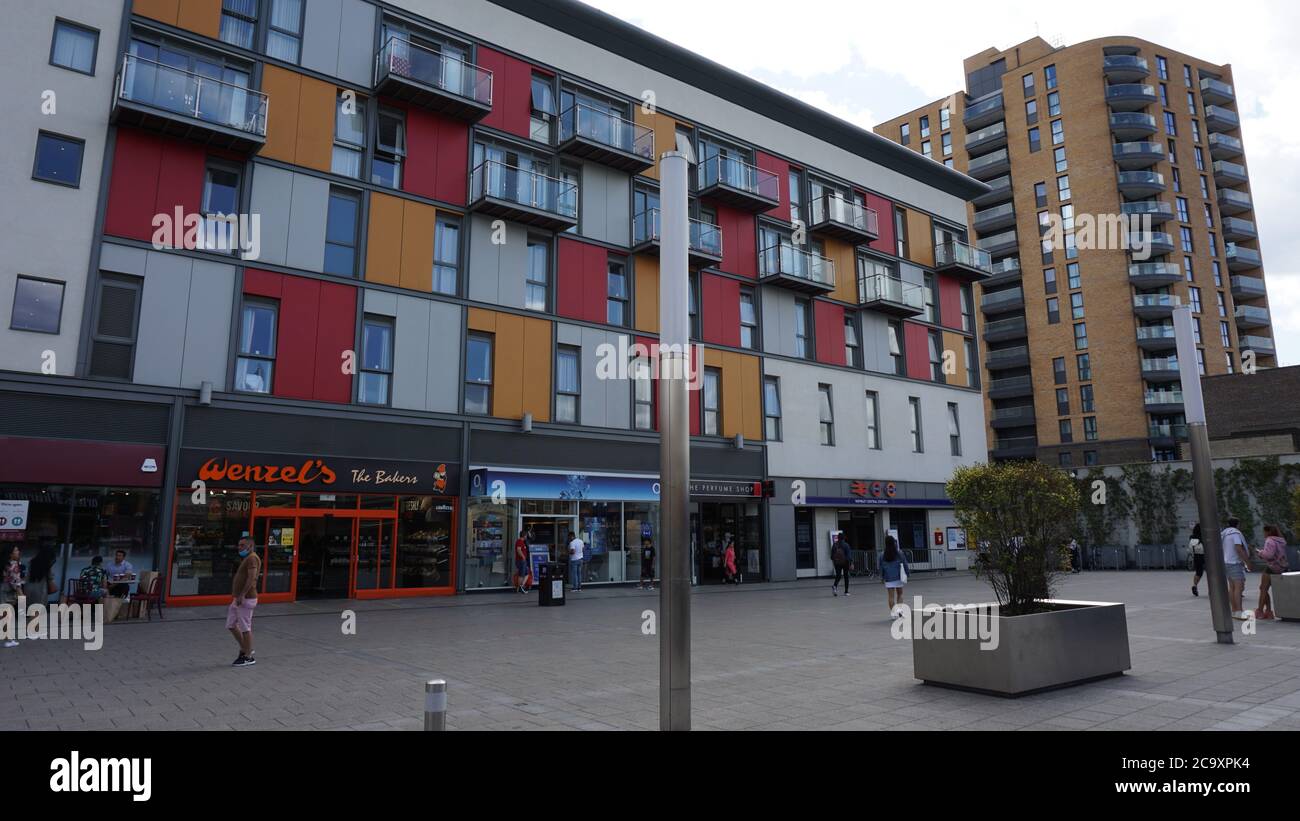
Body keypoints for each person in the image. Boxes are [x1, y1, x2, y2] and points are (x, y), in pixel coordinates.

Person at [228, 535, 261, 667]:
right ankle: (246, 648)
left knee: (245, 627)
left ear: (250, 546)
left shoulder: (252, 558)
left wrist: (242, 595)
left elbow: (252, 578)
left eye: (242, 545)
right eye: (239, 545)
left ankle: (248, 657)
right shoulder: (247, 558)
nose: (239, 548)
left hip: (246, 598)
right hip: (238, 598)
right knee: (231, 624)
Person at [1254, 524, 1289, 620]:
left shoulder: (1270, 540)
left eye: (1264, 532)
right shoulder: (1281, 540)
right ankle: (1268, 612)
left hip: (1271, 567)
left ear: (1268, 532)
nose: (1263, 534)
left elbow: (1269, 555)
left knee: (1263, 589)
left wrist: (1260, 553)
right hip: (1281, 567)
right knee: (1265, 588)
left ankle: (1260, 611)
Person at [1220, 517, 1252, 620]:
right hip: (1234, 563)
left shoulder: (1224, 533)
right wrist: (1247, 562)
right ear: (1238, 524)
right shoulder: (1235, 533)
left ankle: (1234, 611)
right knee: (1239, 587)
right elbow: (1238, 548)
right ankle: (1239, 611)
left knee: (1232, 587)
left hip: (1225, 562)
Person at [880, 535, 910, 615]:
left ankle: (894, 612)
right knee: (900, 594)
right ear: (894, 542)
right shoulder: (899, 553)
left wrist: (882, 577)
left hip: (888, 577)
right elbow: (905, 563)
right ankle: (899, 610)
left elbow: (881, 567)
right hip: (898, 576)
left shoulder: (882, 554)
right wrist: (907, 573)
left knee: (891, 596)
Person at [2, 546, 24, 648]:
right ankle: (8, 640)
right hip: (8, 594)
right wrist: (21, 594)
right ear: (11, 554)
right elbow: (16, 582)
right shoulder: (13, 565)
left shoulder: (3, 564)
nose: (18, 552)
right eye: (16, 550)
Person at [1189, 523, 1206, 597]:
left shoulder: (1192, 537)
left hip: (1196, 556)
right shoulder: (1203, 537)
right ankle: (1213, 588)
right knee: (1212, 572)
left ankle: (1194, 585)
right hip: (1205, 555)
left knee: (1198, 572)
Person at [514, 528, 531, 594]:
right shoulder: (519, 541)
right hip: (521, 561)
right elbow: (518, 550)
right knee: (521, 574)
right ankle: (520, 588)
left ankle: (520, 587)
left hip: (522, 561)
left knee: (526, 573)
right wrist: (523, 557)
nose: (526, 537)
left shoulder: (522, 542)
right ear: (524, 535)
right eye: (526, 535)